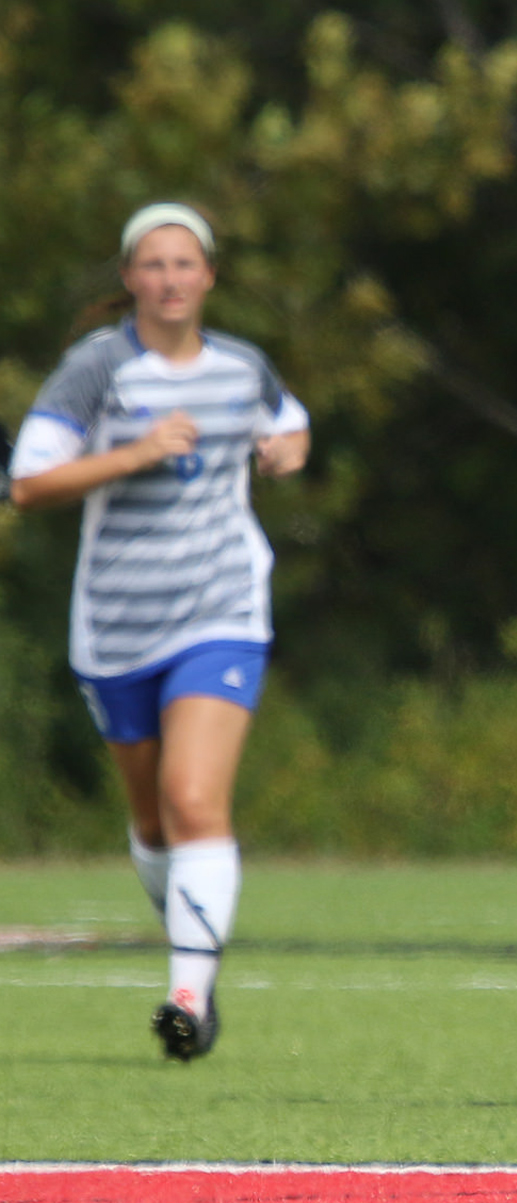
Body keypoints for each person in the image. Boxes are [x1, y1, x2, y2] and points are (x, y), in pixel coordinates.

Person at [5, 203, 311, 1061]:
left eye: (185, 264)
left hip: (219, 609)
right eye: (153, 265)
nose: (170, 279)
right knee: (150, 819)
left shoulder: (240, 365)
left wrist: (287, 450)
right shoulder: (97, 370)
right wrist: (133, 453)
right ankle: (188, 942)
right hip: (114, 623)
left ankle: (189, 993)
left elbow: (287, 419)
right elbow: (27, 483)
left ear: (208, 276)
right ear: (130, 278)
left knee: (192, 798)